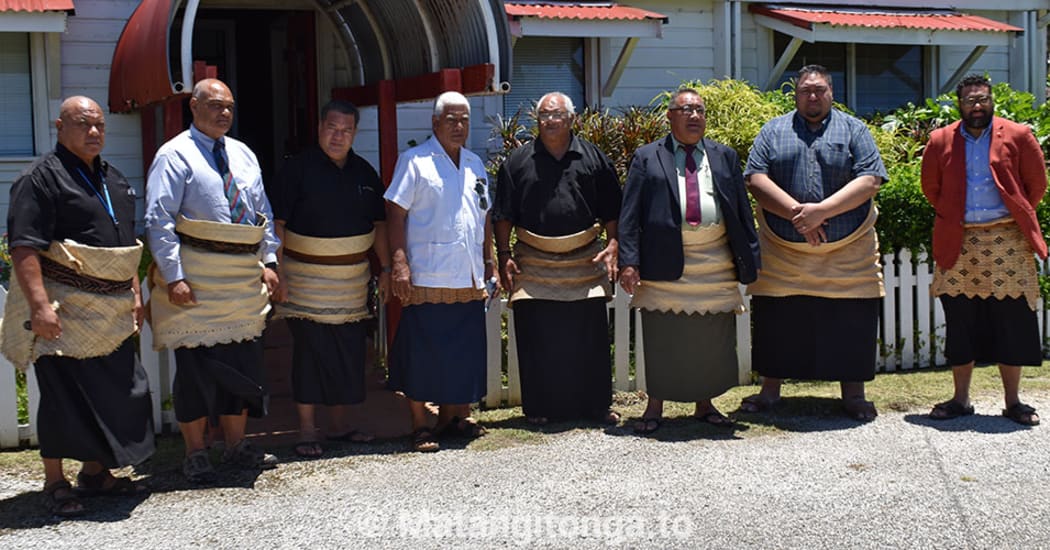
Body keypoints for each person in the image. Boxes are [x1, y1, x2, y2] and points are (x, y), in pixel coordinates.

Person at [1, 96, 153, 516]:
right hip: (63, 308)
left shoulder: (113, 177)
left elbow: (126, 248)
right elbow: (24, 247)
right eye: (83, 124)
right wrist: (39, 307)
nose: (93, 133)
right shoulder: (39, 179)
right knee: (62, 396)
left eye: (99, 125)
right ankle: (54, 481)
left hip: (112, 310)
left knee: (118, 392)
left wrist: (135, 294)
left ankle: (95, 473)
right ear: (59, 126)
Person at [145, 78, 280, 482]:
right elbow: (158, 219)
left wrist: (269, 260)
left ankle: (236, 447)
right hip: (197, 280)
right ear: (194, 106)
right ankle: (196, 451)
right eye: (215, 105)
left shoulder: (243, 154)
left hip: (241, 279)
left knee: (243, 367)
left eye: (229, 107)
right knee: (196, 370)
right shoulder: (174, 155)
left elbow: (262, 211)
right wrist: (174, 276)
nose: (223, 113)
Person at [742, 65, 887, 421]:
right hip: (782, 251)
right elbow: (754, 177)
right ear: (795, 94)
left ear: (831, 92)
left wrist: (820, 212)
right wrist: (798, 214)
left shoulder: (855, 130)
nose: (812, 96)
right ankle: (769, 391)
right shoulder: (773, 130)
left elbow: (871, 178)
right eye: (806, 90)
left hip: (848, 253)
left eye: (819, 90)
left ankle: (854, 395)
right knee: (778, 321)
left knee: (851, 320)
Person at [618, 88, 760, 434]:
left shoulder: (724, 156)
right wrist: (629, 261)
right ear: (670, 116)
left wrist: (752, 258)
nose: (694, 116)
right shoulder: (647, 156)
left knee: (710, 338)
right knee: (663, 337)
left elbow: (741, 209)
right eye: (686, 109)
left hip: (715, 260)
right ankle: (654, 407)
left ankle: (705, 404)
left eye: (699, 110)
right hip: (664, 261)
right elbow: (630, 213)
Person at [921, 74, 1047, 426]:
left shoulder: (1019, 135)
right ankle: (961, 400)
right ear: (959, 104)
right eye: (970, 100)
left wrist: (1013, 214)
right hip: (959, 241)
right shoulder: (940, 139)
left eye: (983, 99)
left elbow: (1036, 185)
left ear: (992, 101)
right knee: (961, 320)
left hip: (1008, 240)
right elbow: (931, 187)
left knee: (1013, 321)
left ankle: (1013, 402)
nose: (977, 106)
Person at [492, 91, 622, 425]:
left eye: (557, 115)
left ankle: (595, 406)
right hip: (534, 260)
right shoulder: (518, 161)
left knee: (589, 336)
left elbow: (612, 208)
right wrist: (504, 253)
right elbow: (503, 213)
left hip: (585, 259)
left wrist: (614, 244)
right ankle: (539, 409)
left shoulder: (594, 157)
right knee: (537, 334)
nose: (550, 121)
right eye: (544, 116)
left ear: (571, 119)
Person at [270, 100, 390, 457]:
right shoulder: (296, 171)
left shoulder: (365, 174)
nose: (338, 136)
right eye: (332, 128)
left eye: (346, 130)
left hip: (351, 283)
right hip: (305, 280)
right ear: (320, 127)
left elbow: (380, 226)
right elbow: (276, 226)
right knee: (309, 354)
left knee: (348, 354)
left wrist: (385, 268)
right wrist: (278, 271)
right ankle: (307, 430)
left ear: (355, 133)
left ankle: (340, 426)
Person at [384, 91, 494, 452]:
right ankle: (420, 424)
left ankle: (452, 418)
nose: (459, 126)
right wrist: (399, 263)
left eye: (464, 119)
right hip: (427, 274)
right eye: (451, 119)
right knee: (423, 354)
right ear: (435, 123)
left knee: (461, 352)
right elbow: (395, 213)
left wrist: (490, 259)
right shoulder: (415, 161)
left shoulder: (476, 163)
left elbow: (485, 215)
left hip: (468, 274)